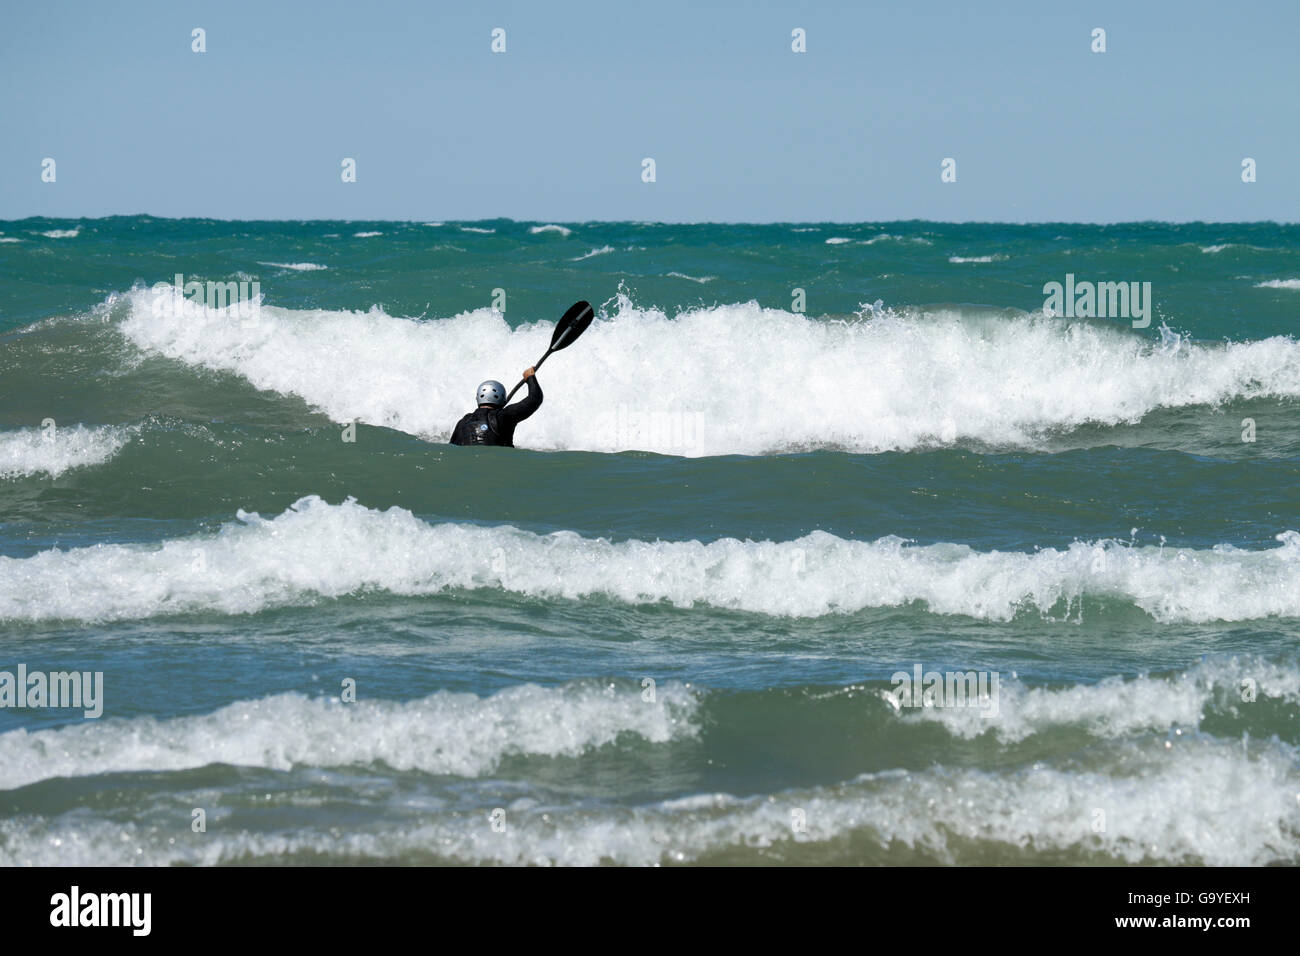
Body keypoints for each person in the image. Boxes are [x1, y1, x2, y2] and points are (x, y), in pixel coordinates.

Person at [449, 368, 542, 447]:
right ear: (502, 399)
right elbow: (535, 398)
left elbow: (451, 448)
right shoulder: (504, 417)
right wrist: (530, 377)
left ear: (477, 398)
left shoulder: (462, 422)